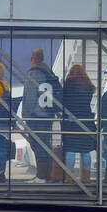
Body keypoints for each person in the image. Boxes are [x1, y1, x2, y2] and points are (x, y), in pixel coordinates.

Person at [22, 48, 60, 183]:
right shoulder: (49, 72)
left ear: (32, 59)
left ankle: (41, 176)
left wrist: (25, 117)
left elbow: (30, 97)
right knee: (45, 144)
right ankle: (45, 175)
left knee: (38, 146)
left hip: (36, 116)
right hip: (48, 115)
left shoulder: (33, 73)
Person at [60, 65, 97, 182]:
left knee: (70, 150)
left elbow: (63, 102)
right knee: (85, 151)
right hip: (86, 121)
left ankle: (68, 177)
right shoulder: (88, 86)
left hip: (71, 122)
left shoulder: (68, 85)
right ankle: (86, 178)